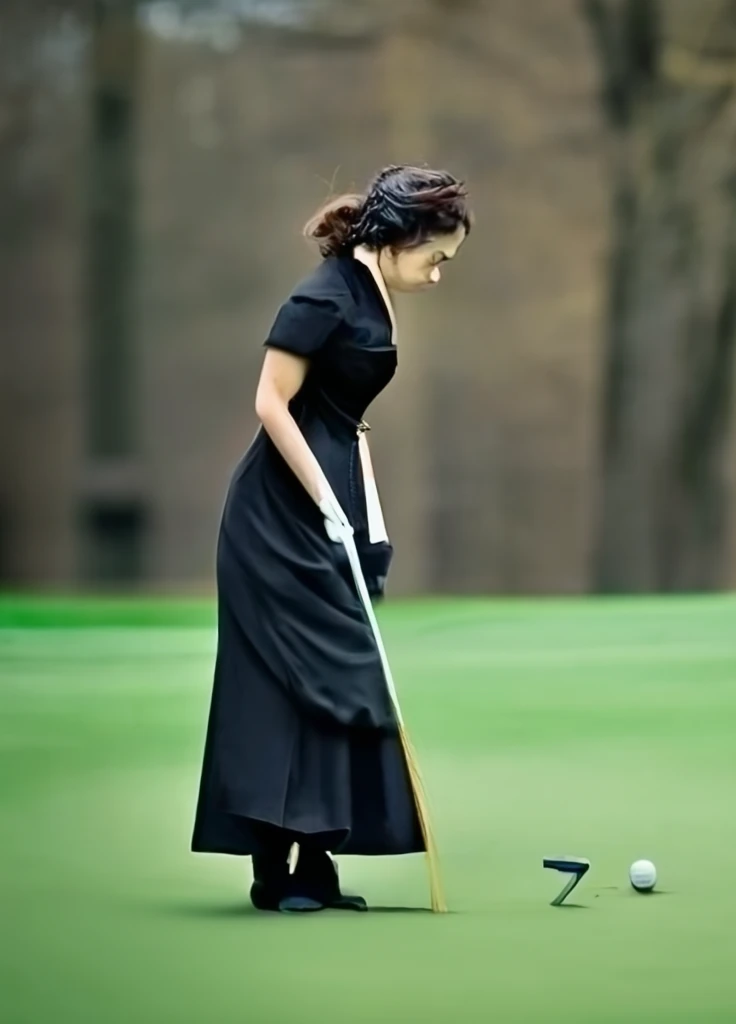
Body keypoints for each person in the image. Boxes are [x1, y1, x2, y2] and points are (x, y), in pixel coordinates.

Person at [190, 164, 471, 913]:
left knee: (343, 681)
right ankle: (270, 870)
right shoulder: (321, 296)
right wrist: (326, 502)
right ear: (400, 237)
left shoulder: (372, 295)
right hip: (273, 520)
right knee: (282, 687)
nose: (438, 275)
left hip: (330, 501)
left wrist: (370, 521)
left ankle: (319, 865)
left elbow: (348, 420)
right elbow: (270, 403)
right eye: (435, 258)